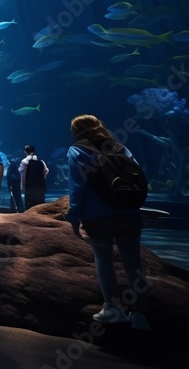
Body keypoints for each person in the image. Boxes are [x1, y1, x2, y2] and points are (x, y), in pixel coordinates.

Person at [66, 114, 150, 329]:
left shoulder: (77, 150)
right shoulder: (120, 148)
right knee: (134, 263)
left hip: (98, 215)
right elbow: (138, 174)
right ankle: (140, 313)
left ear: (76, 131)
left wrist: (73, 216)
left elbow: (78, 187)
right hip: (128, 212)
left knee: (104, 259)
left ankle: (112, 308)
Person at [20, 144, 49, 210]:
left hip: (30, 187)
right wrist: (42, 178)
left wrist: (23, 187)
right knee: (40, 207)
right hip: (40, 186)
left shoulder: (24, 161)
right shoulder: (41, 161)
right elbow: (46, 170)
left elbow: (23, 176)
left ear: (25, 152)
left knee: (29, 206)